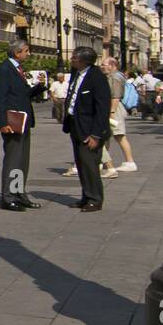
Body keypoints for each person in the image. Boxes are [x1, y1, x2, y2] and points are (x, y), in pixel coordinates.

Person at [0, 39, 40, 211]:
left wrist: (39, 87)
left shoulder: (17, 69)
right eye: (26, 51)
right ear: (17, 52)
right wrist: (2, 122)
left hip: (23, 121)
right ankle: (9, 196)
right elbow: (0, 97)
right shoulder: (5, 69)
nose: (28, 54)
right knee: (13, 159)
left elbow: (23, 94)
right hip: (12, 122)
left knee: (22, 160)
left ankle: (19, 193)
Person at [63, 46, 111, 212]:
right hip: (76, 125)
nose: (72, 59)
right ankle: (86, 195)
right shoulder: (77, 74)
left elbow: (102, 108)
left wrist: (96, 135)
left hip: (90, 129)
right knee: (81, 163)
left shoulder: (97, 77)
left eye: (74, 57)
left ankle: (95, 199)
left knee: (90, 165)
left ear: (84, 60)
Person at [101, 56, 138, 172]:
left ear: (112, 65)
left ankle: (130, 162)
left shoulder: (115, 77)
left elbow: (115, 96)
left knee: (119, 135)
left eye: (104, 65)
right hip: (113, 108)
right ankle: (103, 161)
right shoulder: (116, 76)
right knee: (106, 136)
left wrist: (112, 112)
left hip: (115, 108)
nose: (102, 67)